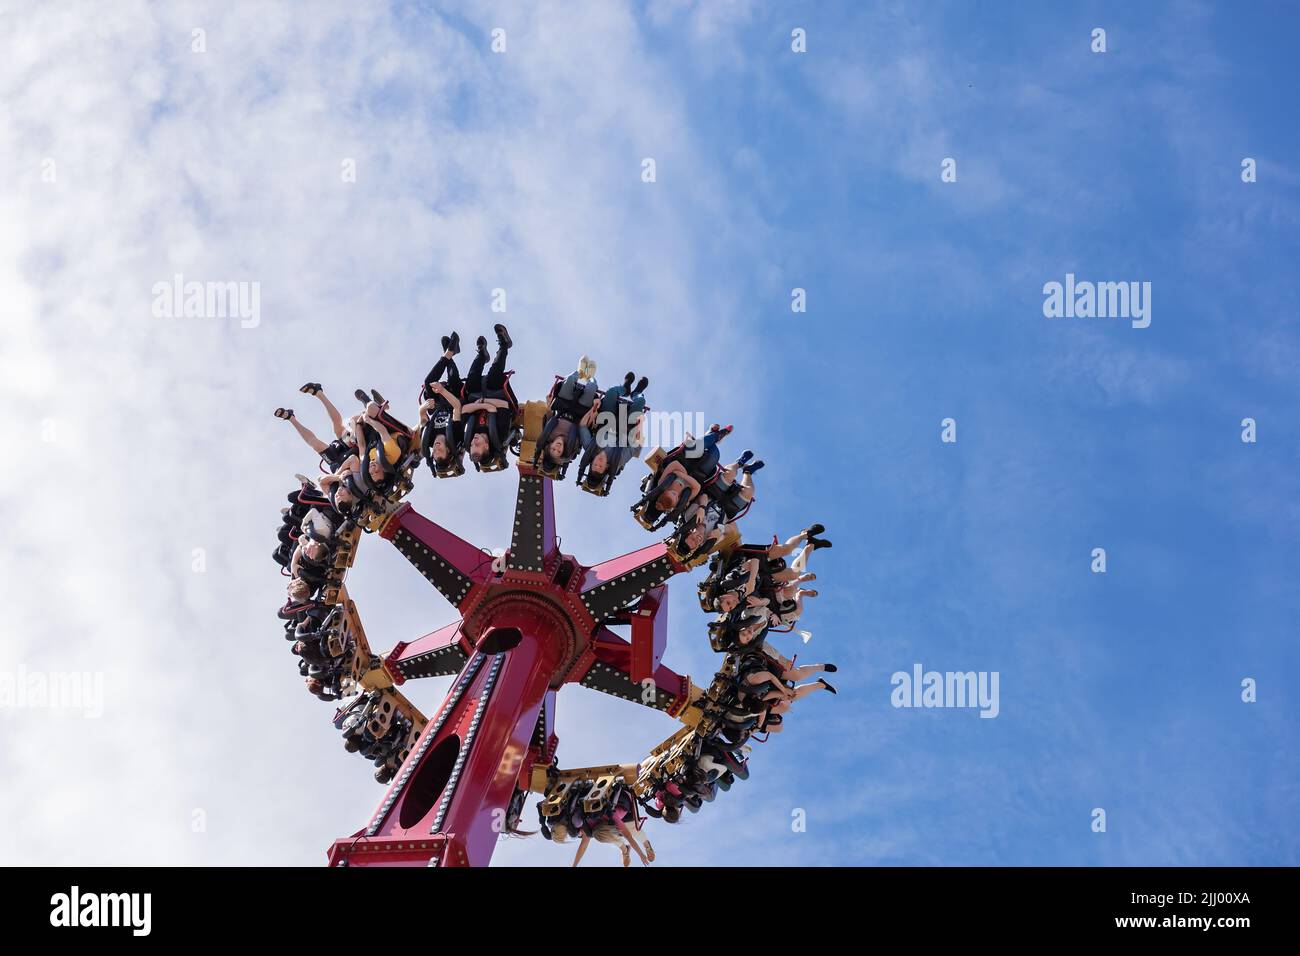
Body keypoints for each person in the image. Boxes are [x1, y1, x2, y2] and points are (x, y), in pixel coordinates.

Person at [575, 372, 649, 495]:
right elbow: (634, 444)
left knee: (612, 393)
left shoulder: (590, 449)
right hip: (624, 428)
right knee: (641, 401)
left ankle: (625, 389)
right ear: (606, 468)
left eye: (594, 465)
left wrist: (594, 408)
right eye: (600, 467)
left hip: (606, 421)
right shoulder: (618, 460)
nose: (598, 463)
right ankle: (636, 393)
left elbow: (582, 426)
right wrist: (639, 424)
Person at [460, 324, 516, 471]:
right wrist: (485, 403)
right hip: (497, 395)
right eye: (477, 445)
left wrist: (483, 405)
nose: (473, 442)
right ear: (486, 446)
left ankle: (481, 355)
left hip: (479, 399)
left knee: (471, 381)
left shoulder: (469, 435)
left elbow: (465, 409)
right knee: (493, 376)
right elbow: (504, 406)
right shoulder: (499, 435)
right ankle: (504, 345)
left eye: (471, 445)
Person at [419, 332, 466, 477]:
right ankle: (449, 351)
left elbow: (422, 417)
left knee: (428, 382)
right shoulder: (455, 436)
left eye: (434, 452)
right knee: (453, 379)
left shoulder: (428, 439)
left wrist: (424, 407)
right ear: (448, 450)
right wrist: (443, 390)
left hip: (437, 403)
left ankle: (449, 352)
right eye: (441, 451)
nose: (436, 448)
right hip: (454, 398)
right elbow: (457, 407)